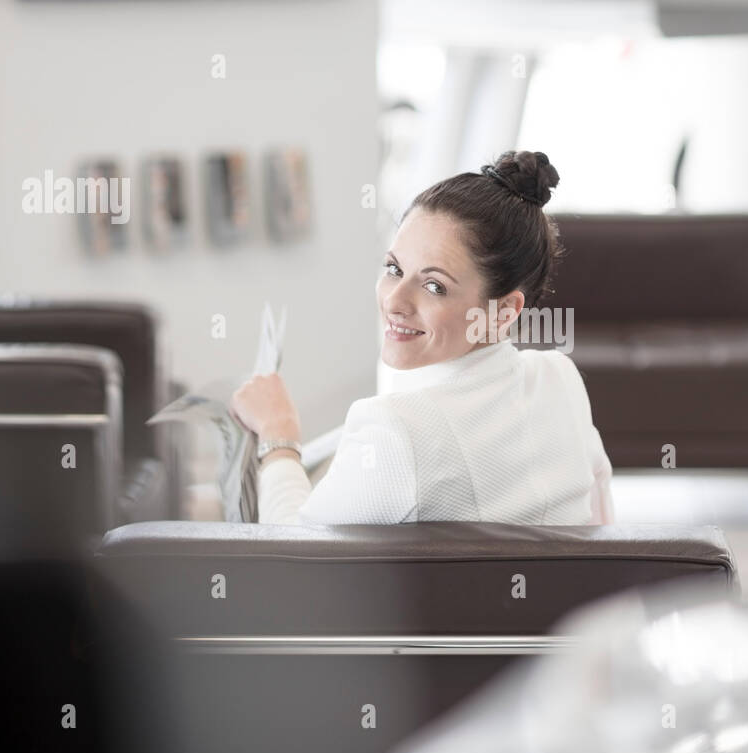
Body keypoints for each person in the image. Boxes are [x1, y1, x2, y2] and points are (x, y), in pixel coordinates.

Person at [231, 150, 615, 526]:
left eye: (434, 286)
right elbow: (600, 524)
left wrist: (278, 434)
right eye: (394, 269)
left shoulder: (397, 434)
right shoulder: (559, 378)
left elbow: (294, 550)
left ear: (504, 311)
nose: (394, 302)